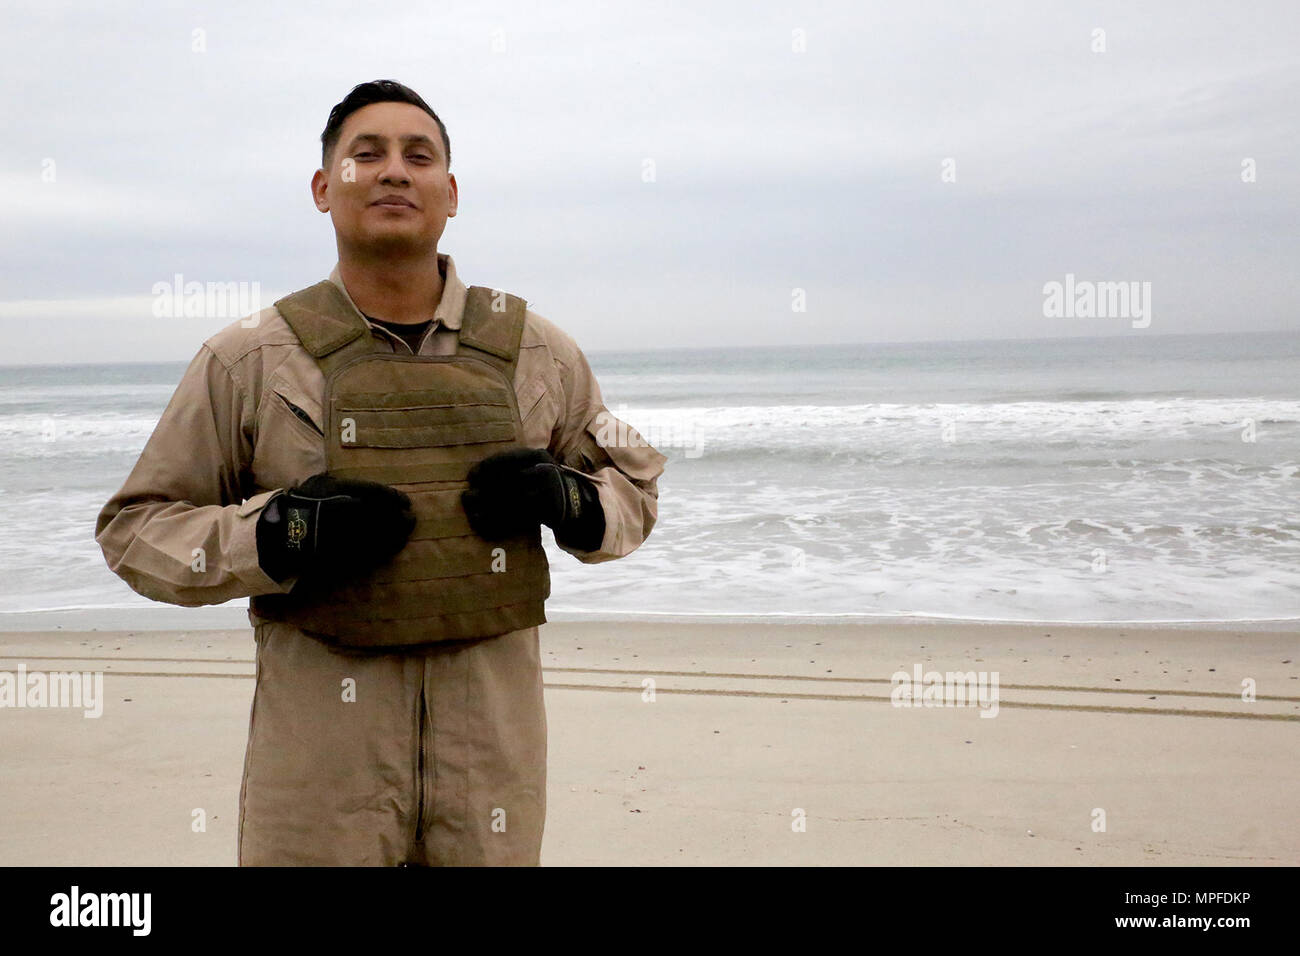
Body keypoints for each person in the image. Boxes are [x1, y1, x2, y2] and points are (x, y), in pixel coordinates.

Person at [95, 79, 667, 866]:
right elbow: (136, 531)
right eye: (367, 155)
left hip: (490, 772)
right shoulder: (250, 358)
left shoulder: (541, 352)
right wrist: (281, 530)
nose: (394, 171)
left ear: (452, 193)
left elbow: (633, 494)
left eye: (418, 155)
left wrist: (569, 499)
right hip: (320, 779)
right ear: (325, 189)